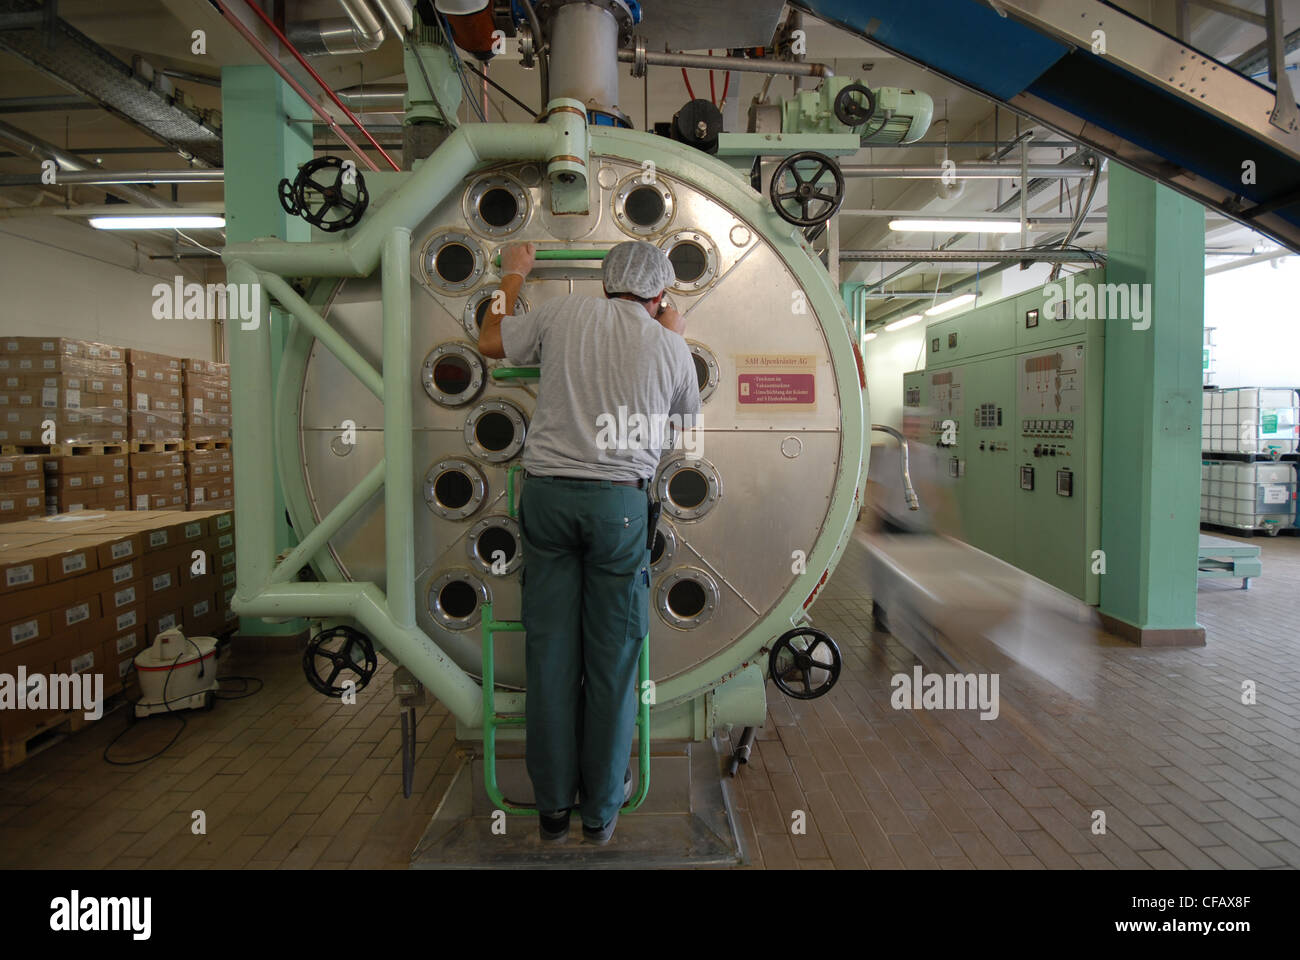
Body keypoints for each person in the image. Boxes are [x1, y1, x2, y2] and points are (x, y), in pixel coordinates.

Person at [478, 239, 701, 845]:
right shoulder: (668, 343)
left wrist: (513, 275)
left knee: (549, 655)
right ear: (659, 296)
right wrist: (673, 334)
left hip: (546, 498)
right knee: (612, 663)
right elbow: (684, 419)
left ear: (605, 282)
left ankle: (551, 808)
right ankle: (600, 811)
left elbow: (491, 340)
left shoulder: (562, 312)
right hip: (618, 511)